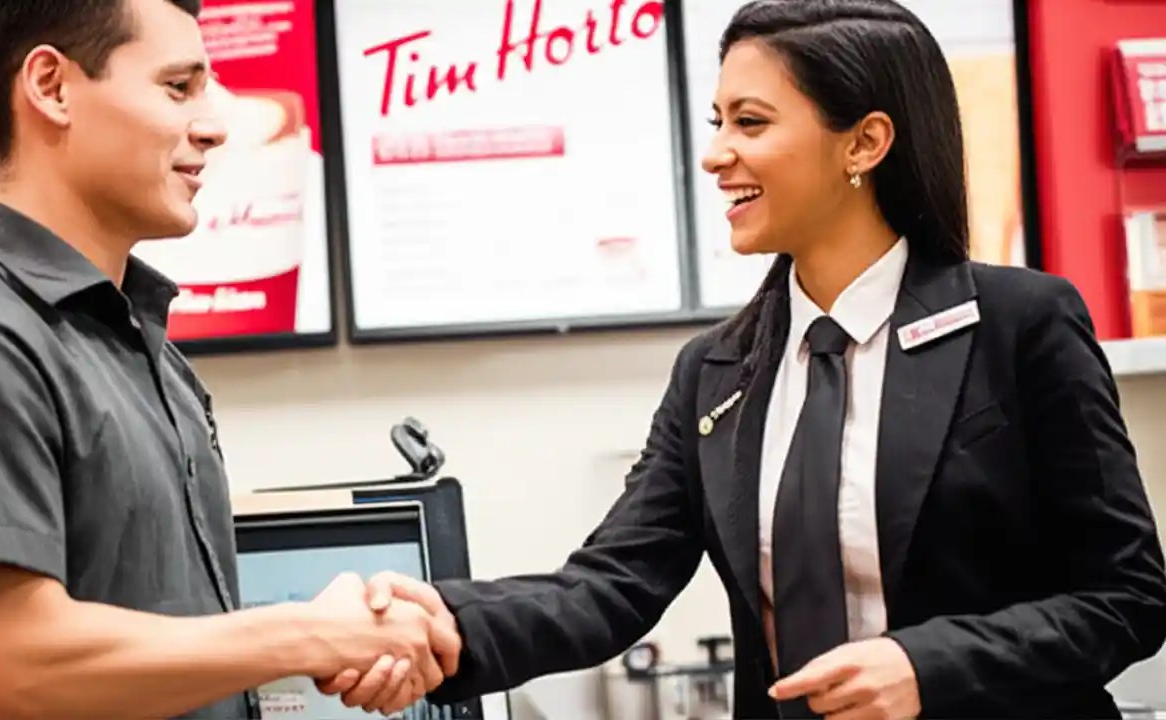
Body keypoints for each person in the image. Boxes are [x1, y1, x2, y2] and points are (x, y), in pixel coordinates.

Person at [330, 1, 1166, 717]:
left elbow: (1127, 599)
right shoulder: (717, 369)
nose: (716, 153)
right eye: (718, 121)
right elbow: (610, 585)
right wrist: (445, 621)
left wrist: (929, 667)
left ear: (864, 143)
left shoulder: (1021, 324)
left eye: (752, 122)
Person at [0, 1, 457, 718]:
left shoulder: (133, 340)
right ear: (52, 87)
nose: (215, 125)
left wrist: (344, 639)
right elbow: (18, 665)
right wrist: (310, 634)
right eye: (178, 88)